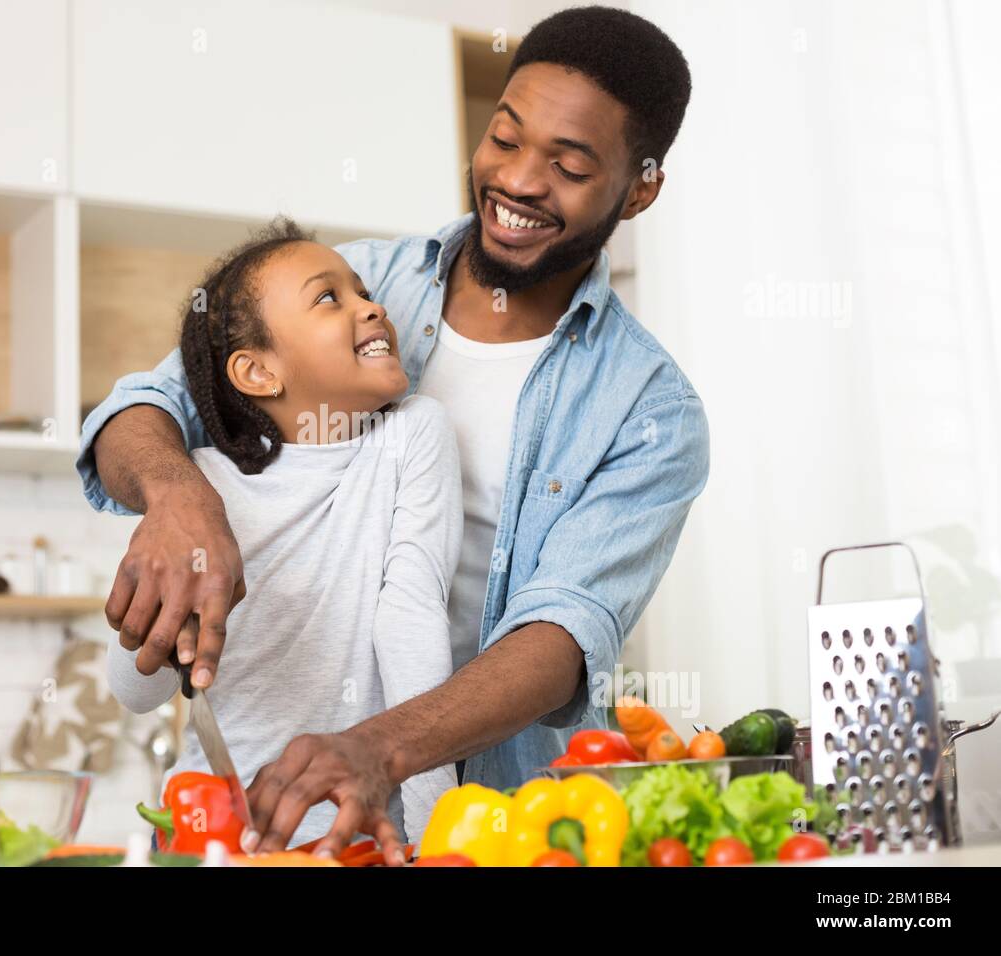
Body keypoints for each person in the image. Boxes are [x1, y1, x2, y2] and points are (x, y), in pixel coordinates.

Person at [79, 6, 710, 864]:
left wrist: (380, 749)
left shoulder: (651, 410)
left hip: (494, 823)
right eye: (504, 138)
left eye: (566, 165)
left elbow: (561, 636)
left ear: (638, 189)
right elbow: (142, 409)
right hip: (256, 812)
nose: (517, 181)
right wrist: (176, 493)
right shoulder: (362, 280)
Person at [105, 219, 462, 849]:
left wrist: (441, 840)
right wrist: (163, 624)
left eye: (363, 292)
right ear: (258, 372)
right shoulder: (201, 490)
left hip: (354, 840)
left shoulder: (412, 437)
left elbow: (411, 620)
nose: (372, 307)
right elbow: (135, 693)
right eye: (331, 298)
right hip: (206, 834)